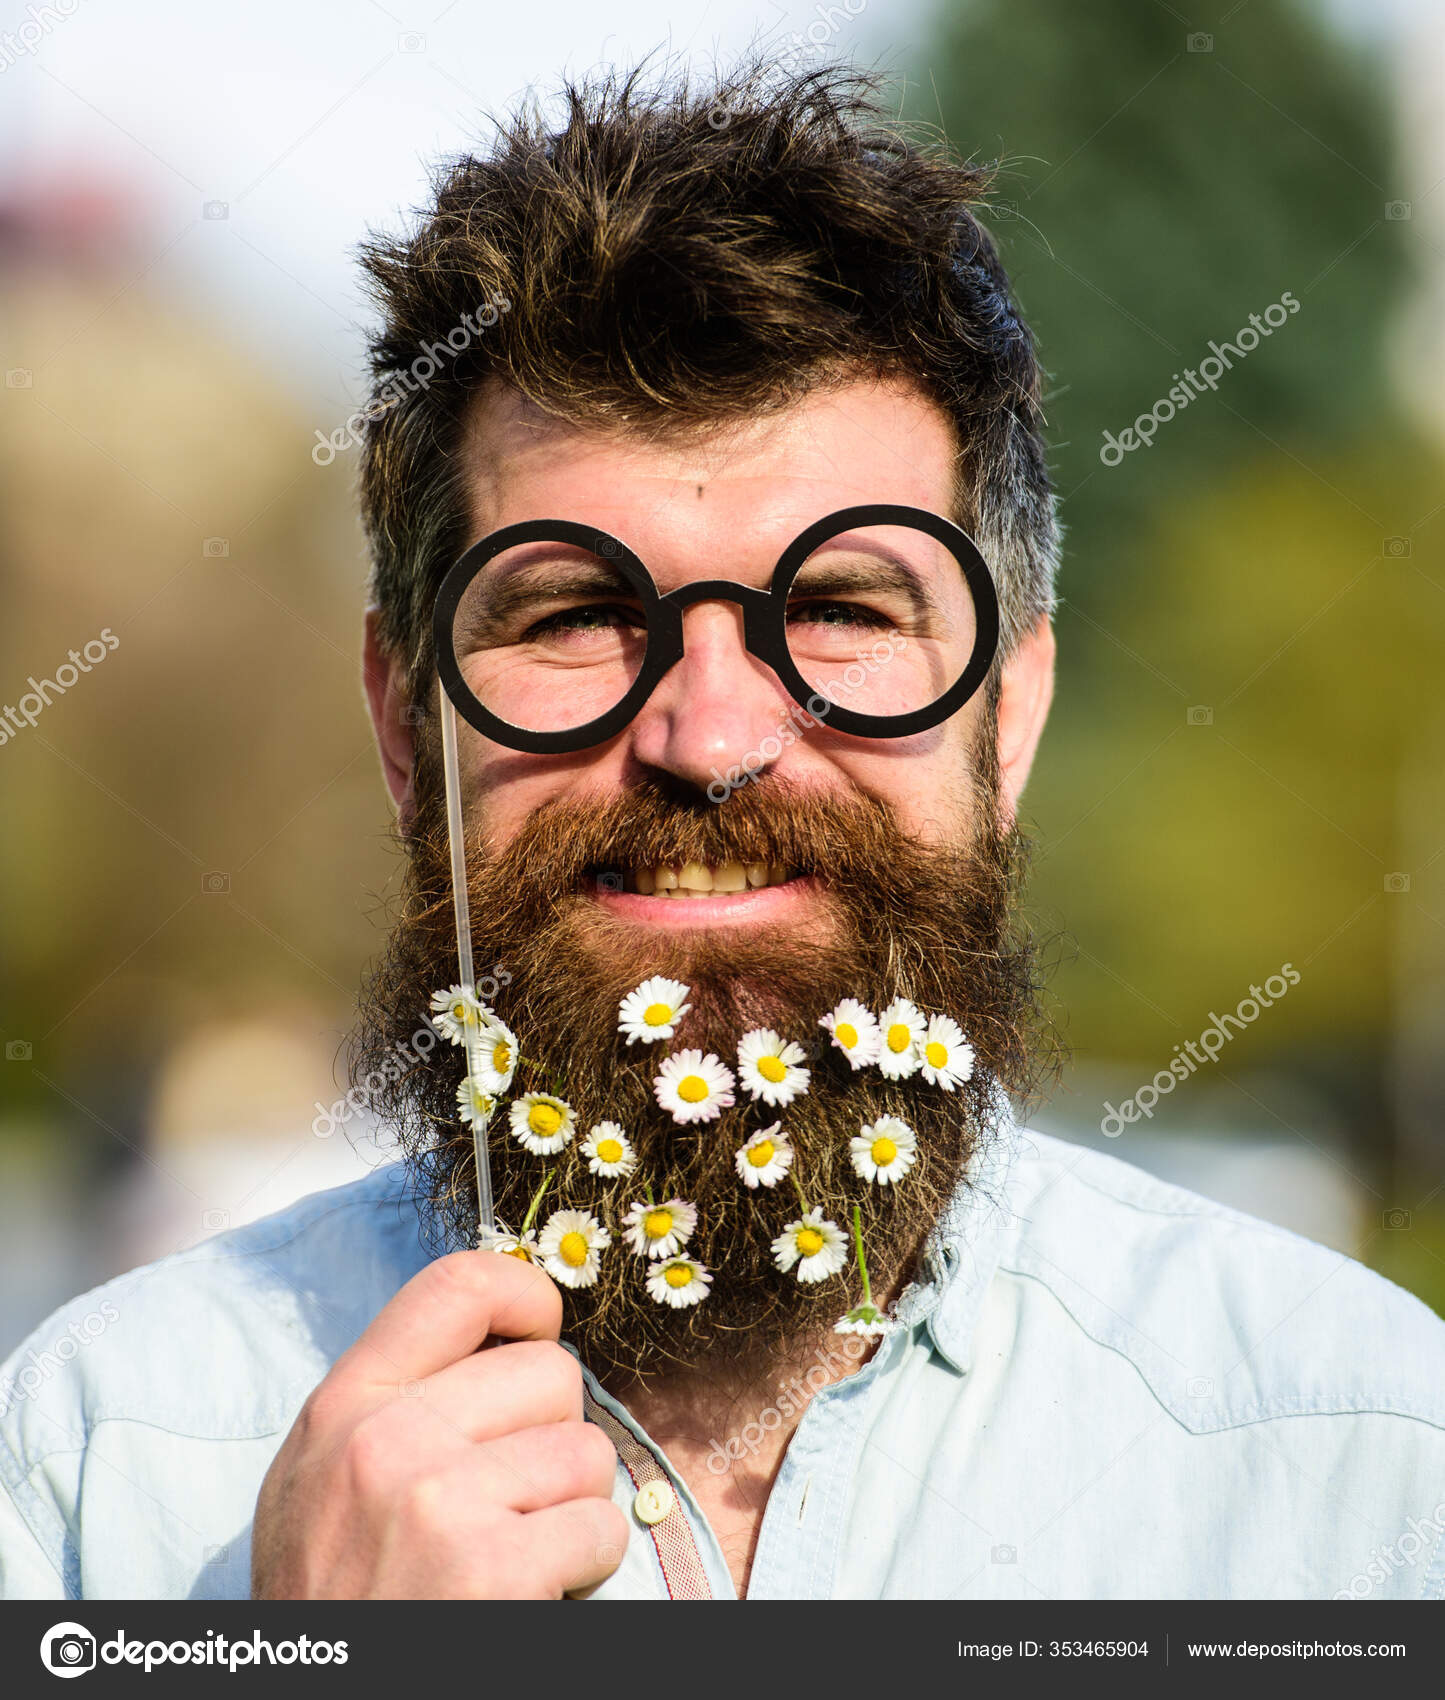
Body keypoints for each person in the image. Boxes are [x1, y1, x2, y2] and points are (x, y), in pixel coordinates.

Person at [3, 63, 1442, 1604]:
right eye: (573, 615)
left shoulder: (1352, 1453)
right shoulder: (96, 1463)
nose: (707, 738)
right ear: (399, 726)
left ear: (1004, 719)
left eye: (834, 610)